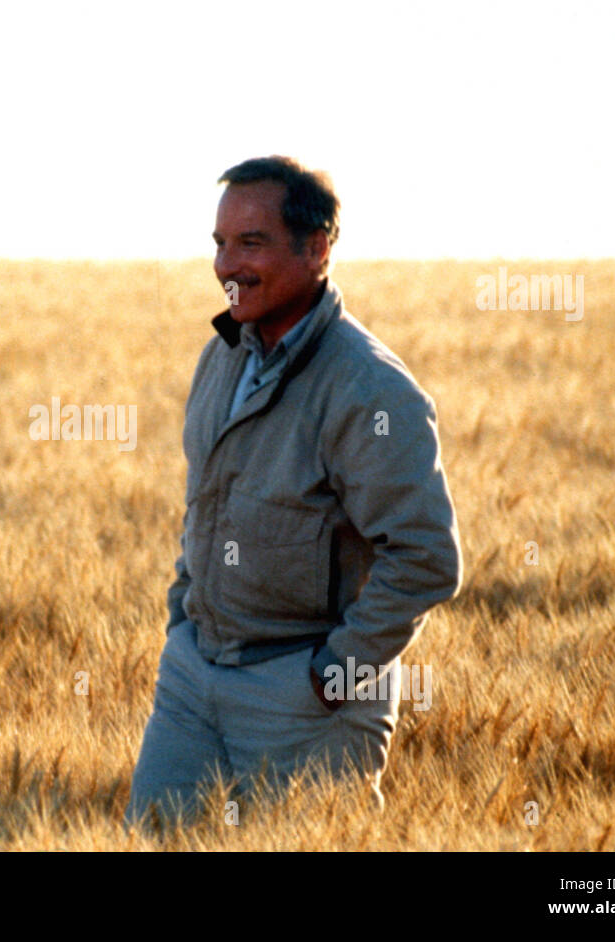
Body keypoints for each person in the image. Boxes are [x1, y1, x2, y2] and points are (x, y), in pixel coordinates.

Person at [126, 156, 463, 824]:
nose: (227, 265)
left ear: (318, 248)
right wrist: (181, 622)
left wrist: (330, 675)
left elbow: (426, 558)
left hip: (302, 696)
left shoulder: (370, 389)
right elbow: (205, 504)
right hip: (193, 678)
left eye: (251, 243)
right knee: (149, 839)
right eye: (219, 244)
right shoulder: (222, 354)